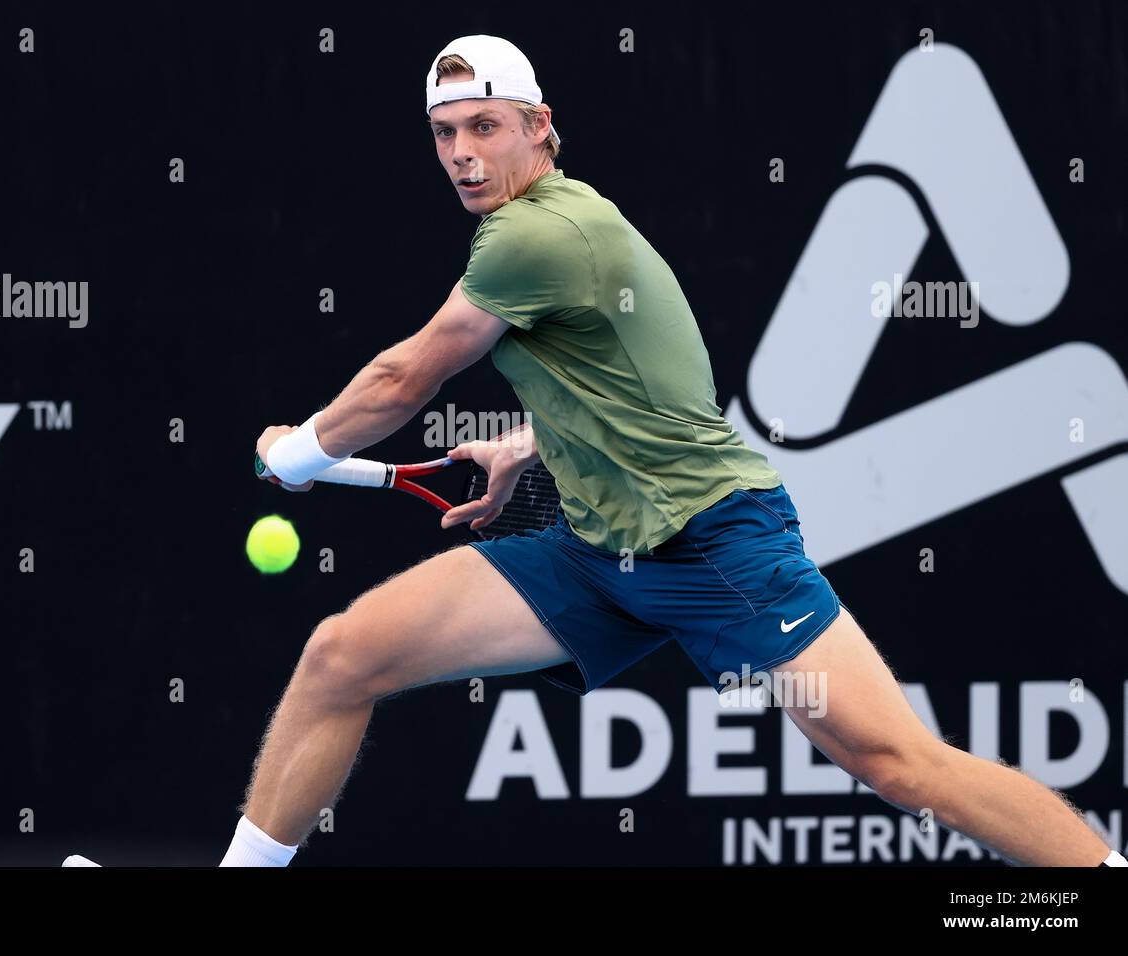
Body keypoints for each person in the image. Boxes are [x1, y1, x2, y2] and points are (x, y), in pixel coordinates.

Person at [67, 34, 1124, 869]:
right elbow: (642, 378)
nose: (463, 153)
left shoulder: (535, 233)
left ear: (541, 128)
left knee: (899, 765)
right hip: (595, 551)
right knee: (344, 654)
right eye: (443, 133)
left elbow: (402, 379)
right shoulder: (545, 229)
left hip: (715, 546)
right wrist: (533, 443)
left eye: (485, 127)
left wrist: (296, 453)